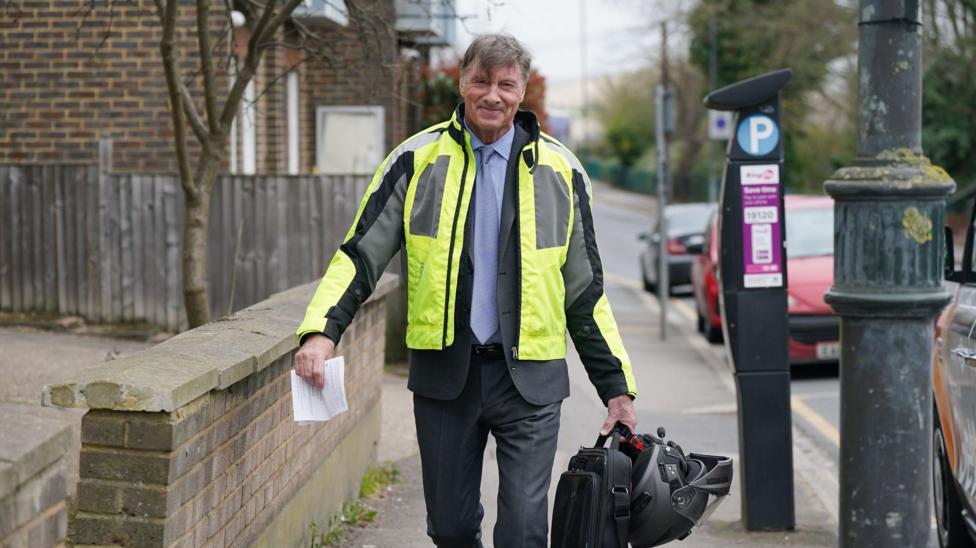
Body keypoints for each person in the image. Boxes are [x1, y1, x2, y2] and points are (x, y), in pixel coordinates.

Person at [294, 33, 637, 548]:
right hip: (445, 375)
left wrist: (616, 388)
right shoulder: (416, 160)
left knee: (523, 532)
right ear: (462, 83)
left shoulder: (562, 171)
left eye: (506, 84)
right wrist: (321, 332)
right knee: (451, 529)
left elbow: (586, 291)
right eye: (481, 81)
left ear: (522, 93)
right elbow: (359, 254)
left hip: (531, 381)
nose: (492, 95)